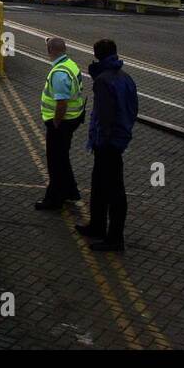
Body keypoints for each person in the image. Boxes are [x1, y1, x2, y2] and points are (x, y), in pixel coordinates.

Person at [76, 39, 137, 252]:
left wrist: (101, 140)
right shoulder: (126, 77)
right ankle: (98, 225)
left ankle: (113, 237)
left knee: (111, 190)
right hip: (119, 139)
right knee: (102, 185)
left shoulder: (103, 81)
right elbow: (133, 109)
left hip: (107, 143)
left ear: (97, 55)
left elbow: (104, 116)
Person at [35, 37, 85, 210]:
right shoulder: (71, 64)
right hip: (73, 118)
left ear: (50, 51)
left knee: (55, 162)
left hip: (61, 123)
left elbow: (61, 103)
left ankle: (54, 200)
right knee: (62, 157)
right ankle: (71, 191)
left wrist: (56, 122)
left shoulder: (59, 73)